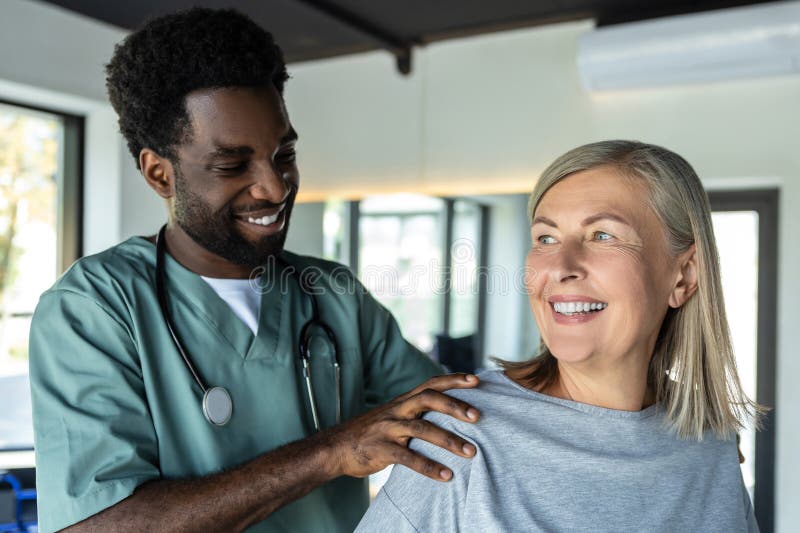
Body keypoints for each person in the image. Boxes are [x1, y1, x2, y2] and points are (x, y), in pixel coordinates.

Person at [28, 8, 482, 533]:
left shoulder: (332, 294)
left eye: (283, 154)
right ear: (159, 174)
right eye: (232, 164)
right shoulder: (94, 309)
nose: (275, 186)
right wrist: (331, 452)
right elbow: (96, 525)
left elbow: (455, 415)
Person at [356, 140, 761, 532]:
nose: (562, 266)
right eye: (546, 239)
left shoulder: (711, 442)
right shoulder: (460, 438)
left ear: (684, 276)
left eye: (602, 235)